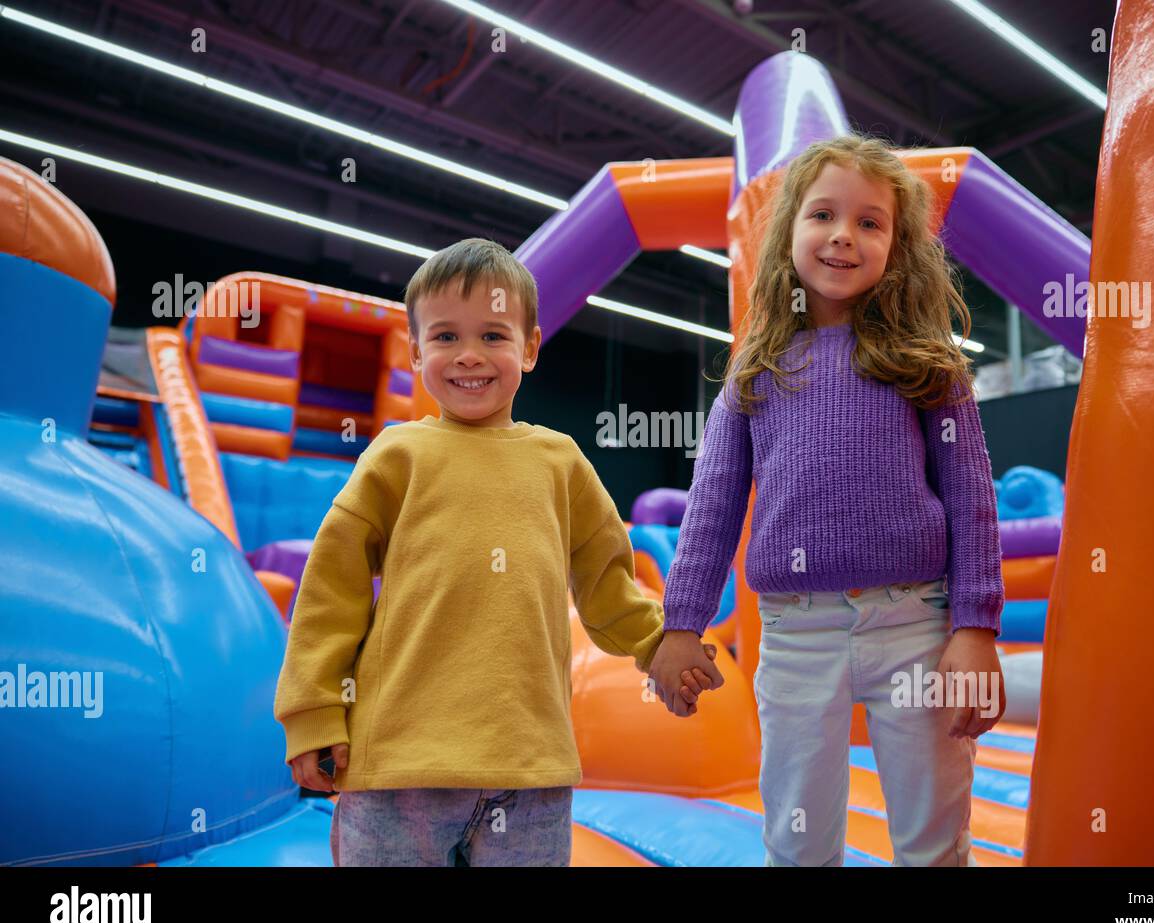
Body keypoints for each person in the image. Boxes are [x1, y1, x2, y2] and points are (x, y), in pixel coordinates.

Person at [273, 238, 721, 866]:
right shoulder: (396, 457)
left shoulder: (559, 463)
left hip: (529, 770)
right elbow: (330, 592)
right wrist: (315, 712)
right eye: (446, 337)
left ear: (529, 347)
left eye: (492, 335)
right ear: (416, 351)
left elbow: (608, 582)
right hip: (400, 765)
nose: (469, 355)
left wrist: (660, 644)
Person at [662, 134, 1006, 866]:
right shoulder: (754, 375)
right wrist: (682, 624)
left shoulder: (927, 366)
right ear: (788, 233)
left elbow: (972, 499)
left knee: (934, 834)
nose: (843, 235)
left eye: (869, 222)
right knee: (797, 837)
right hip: (797, 632)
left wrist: (975, 627)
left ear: (897, 248)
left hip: (915, 622)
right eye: (823, 215)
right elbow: (712, 508)